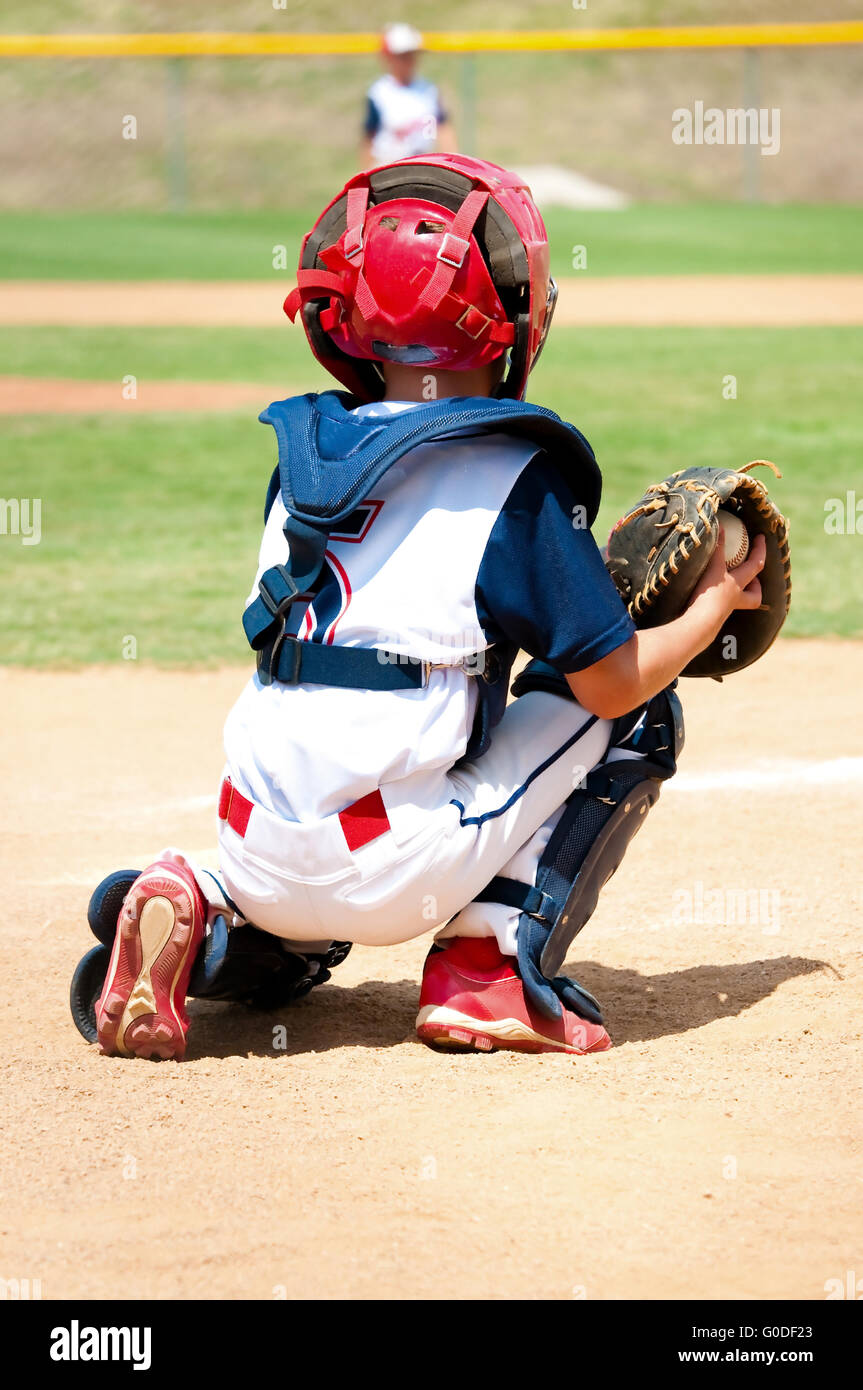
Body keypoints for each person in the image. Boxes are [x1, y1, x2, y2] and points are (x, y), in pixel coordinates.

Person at [82, 154, 765, 1062]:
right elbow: (609, 685)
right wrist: (712, 603)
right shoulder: (515, 480)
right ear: (513, 316)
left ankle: (206, 919)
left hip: (250, 832)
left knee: (305, 903)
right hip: (390, 862)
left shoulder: (304, 459)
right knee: (640, 712)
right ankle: (486, 970)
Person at [361, 23, 455, 167]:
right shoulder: (379, 93)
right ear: (389, 57)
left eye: (412, 54)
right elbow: (369, 138)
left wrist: (452, 162)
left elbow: (443, 129)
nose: (410, 60)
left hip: (423, 165)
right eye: (403, 56)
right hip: (387, 167)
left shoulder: (428, 90)